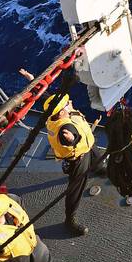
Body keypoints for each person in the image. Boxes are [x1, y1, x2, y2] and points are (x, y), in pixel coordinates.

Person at [42, 91, 106, 236]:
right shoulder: (65, 130)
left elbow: (49, 99)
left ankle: (100, 169)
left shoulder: (57, 114)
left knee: (99, 160)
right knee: (75, 190)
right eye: (68, 103)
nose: (70, 102)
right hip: (78, 158)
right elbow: (68, 140)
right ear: (63, 111)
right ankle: (69, 220)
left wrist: (33, 81)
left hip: (88, 146)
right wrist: (72, 140)